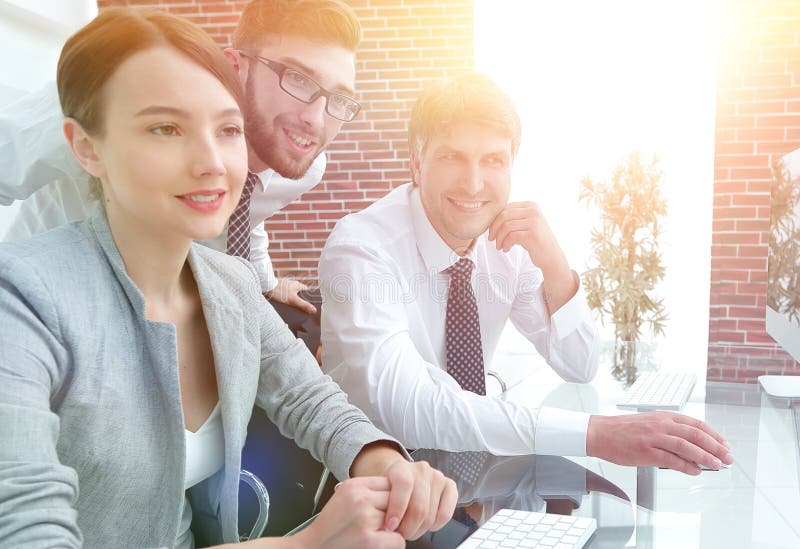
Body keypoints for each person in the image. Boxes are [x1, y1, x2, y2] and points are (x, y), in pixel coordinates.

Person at [0, 8, 456, 548]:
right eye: (165, 128)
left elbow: (309, 398)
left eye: (229, 129)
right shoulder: (23, 300)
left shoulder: (230, 280)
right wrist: (304, 546)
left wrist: (380, 459)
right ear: (85, 147)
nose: (212, 161)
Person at [318, 72, 735, 475]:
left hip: (475, 476)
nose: (474, 183)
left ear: (512, 166)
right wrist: (596, 435)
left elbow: (580, 365)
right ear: (416, 163)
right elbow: (407, 407)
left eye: (493, 160)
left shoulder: (506, 246)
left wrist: (553, 263)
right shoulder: (362, 248)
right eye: (451, 157)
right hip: (372, 491)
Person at [0, 0, 362, 318]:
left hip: (157, 318)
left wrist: (266, 283)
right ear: (236, 66)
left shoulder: (304, 164)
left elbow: (248, 216)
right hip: (43, 301)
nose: (315, 119)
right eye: (298, 79)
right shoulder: (125, 94)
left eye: (340, 99)